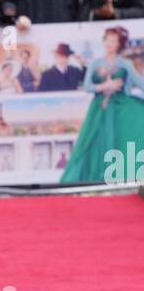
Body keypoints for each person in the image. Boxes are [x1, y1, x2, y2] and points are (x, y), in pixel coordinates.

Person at [60, 26, 144, 185]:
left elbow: (140, 83)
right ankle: (95, 180)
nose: (110, 43)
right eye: (108, 39)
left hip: (121, 108)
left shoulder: (125, 64)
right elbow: (87, 87)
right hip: (99, 109)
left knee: (119, 141)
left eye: (114, 40)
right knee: (92, 142)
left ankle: (118, 177)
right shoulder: (95, 63)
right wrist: (106, 86)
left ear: (119, 44)